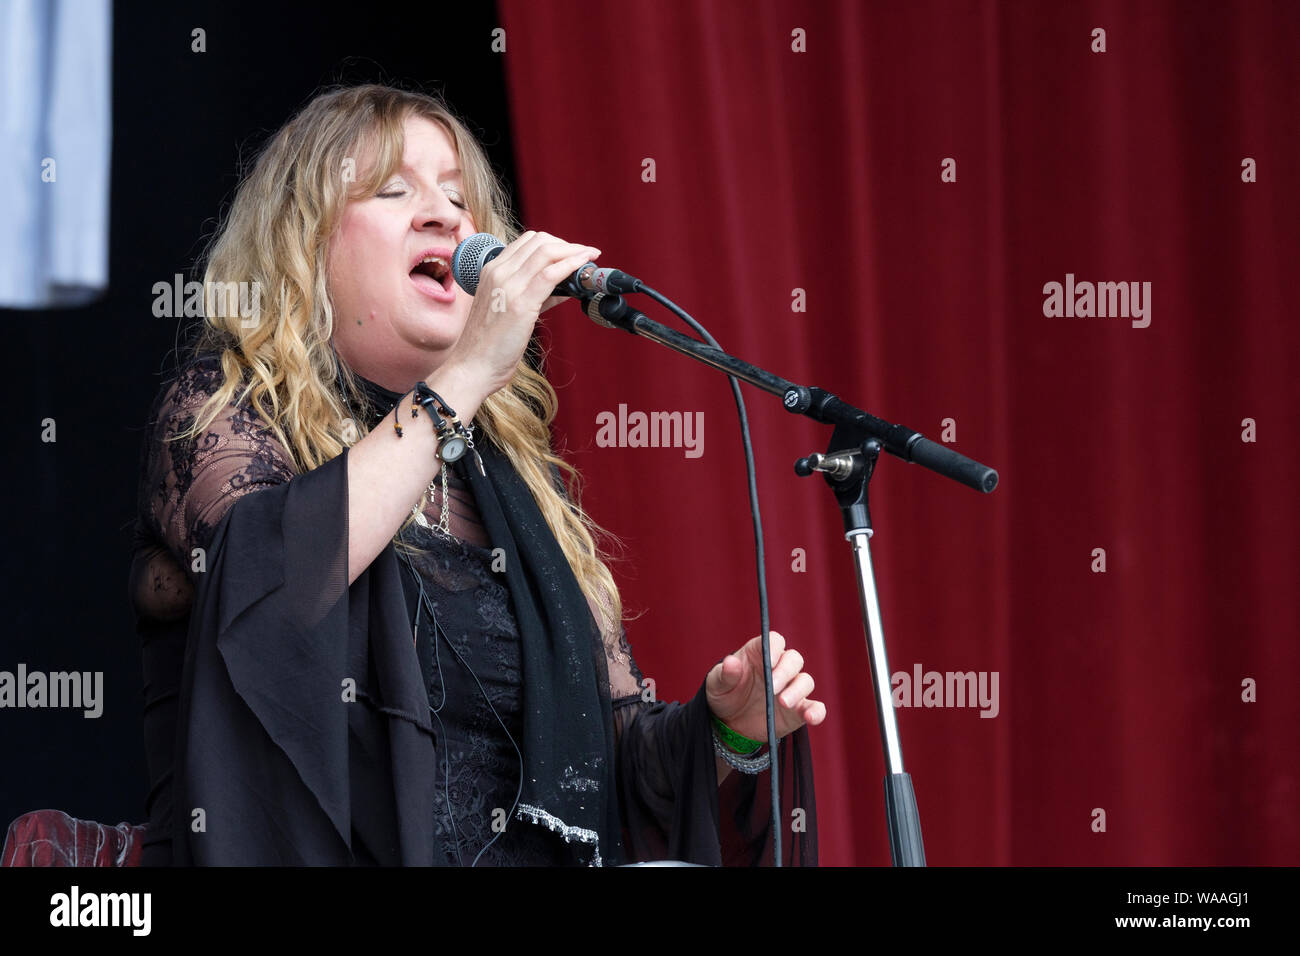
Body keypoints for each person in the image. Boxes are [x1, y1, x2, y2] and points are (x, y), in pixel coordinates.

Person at [127, 83, 824, 866]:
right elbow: (266, 598)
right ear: (302, 240)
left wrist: (727, 730)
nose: (446, 217)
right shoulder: (224, 408)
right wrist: (462, 380)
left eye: (460, 198)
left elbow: (611, 781)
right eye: (394, 191)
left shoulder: (517, 486)